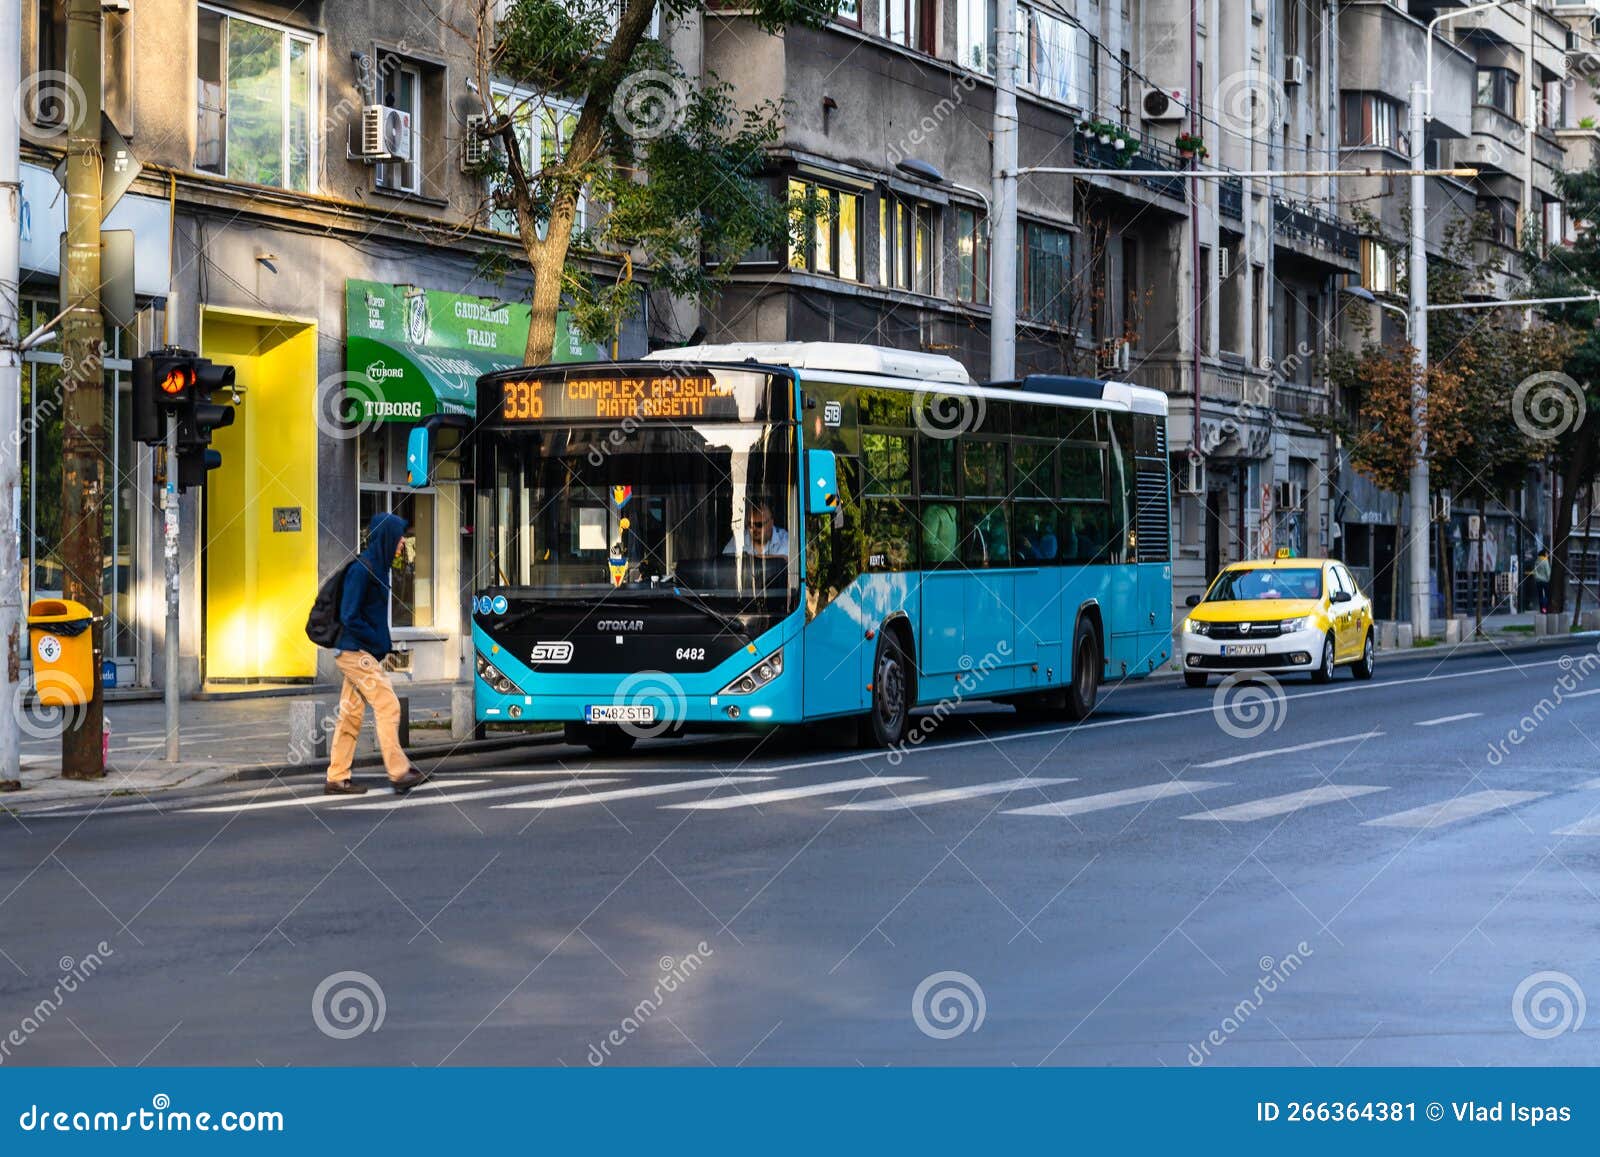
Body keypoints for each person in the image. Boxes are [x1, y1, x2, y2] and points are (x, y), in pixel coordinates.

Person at [325, 512, 424, 796]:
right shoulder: (362, 569)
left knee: (350, 715)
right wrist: (376, 642)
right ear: (386, 538)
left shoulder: (378, 568)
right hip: (357, 652)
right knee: (388, 705)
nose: (403, 541)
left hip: (361, 651)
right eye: (398, 536)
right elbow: (349, 615)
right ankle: (399, 772)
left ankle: (337, 777)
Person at [724, 499, 790, 558]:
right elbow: (726, 560)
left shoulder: (785, 539)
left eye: (759, 524)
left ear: (771, 523)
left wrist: (747, 558)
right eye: (750, 524)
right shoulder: (740, 539)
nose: (753, 529)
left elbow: (788, 561)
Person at [1534, 549, 1552, 614]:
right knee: (1546, 596)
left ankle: (1541, 609)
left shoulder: (1537, 561)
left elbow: (1535, 571)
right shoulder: (1545, 561)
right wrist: (1549, 579)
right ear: (1544, 554)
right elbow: (1548, 572)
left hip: (1538, 581)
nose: (1547, 555)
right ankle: (1545, 609)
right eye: (1547, 553)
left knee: (1540, 596)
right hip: (1545, 581)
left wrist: (1537, 578)